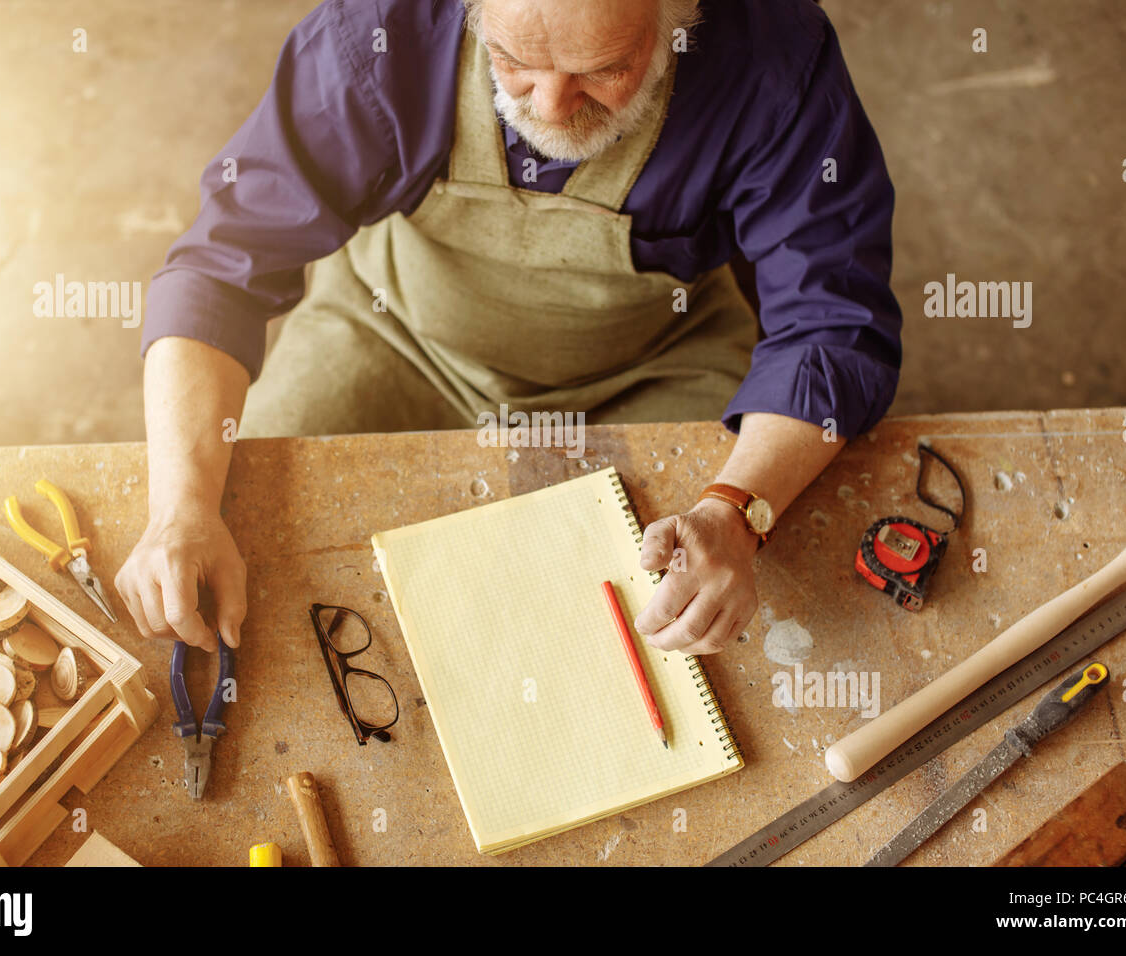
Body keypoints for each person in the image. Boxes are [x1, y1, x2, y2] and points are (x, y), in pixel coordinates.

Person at [116, 0, 902, 656]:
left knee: (676, 619)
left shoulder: (771, 55)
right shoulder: (384, 31)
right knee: (248, 550)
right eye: (515, 59)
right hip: (392, 333)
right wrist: (178, 506)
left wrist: (738, 509)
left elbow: (831, 324)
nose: (551, 108)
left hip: (652, 361)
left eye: (603, 69)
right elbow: (220, 266)